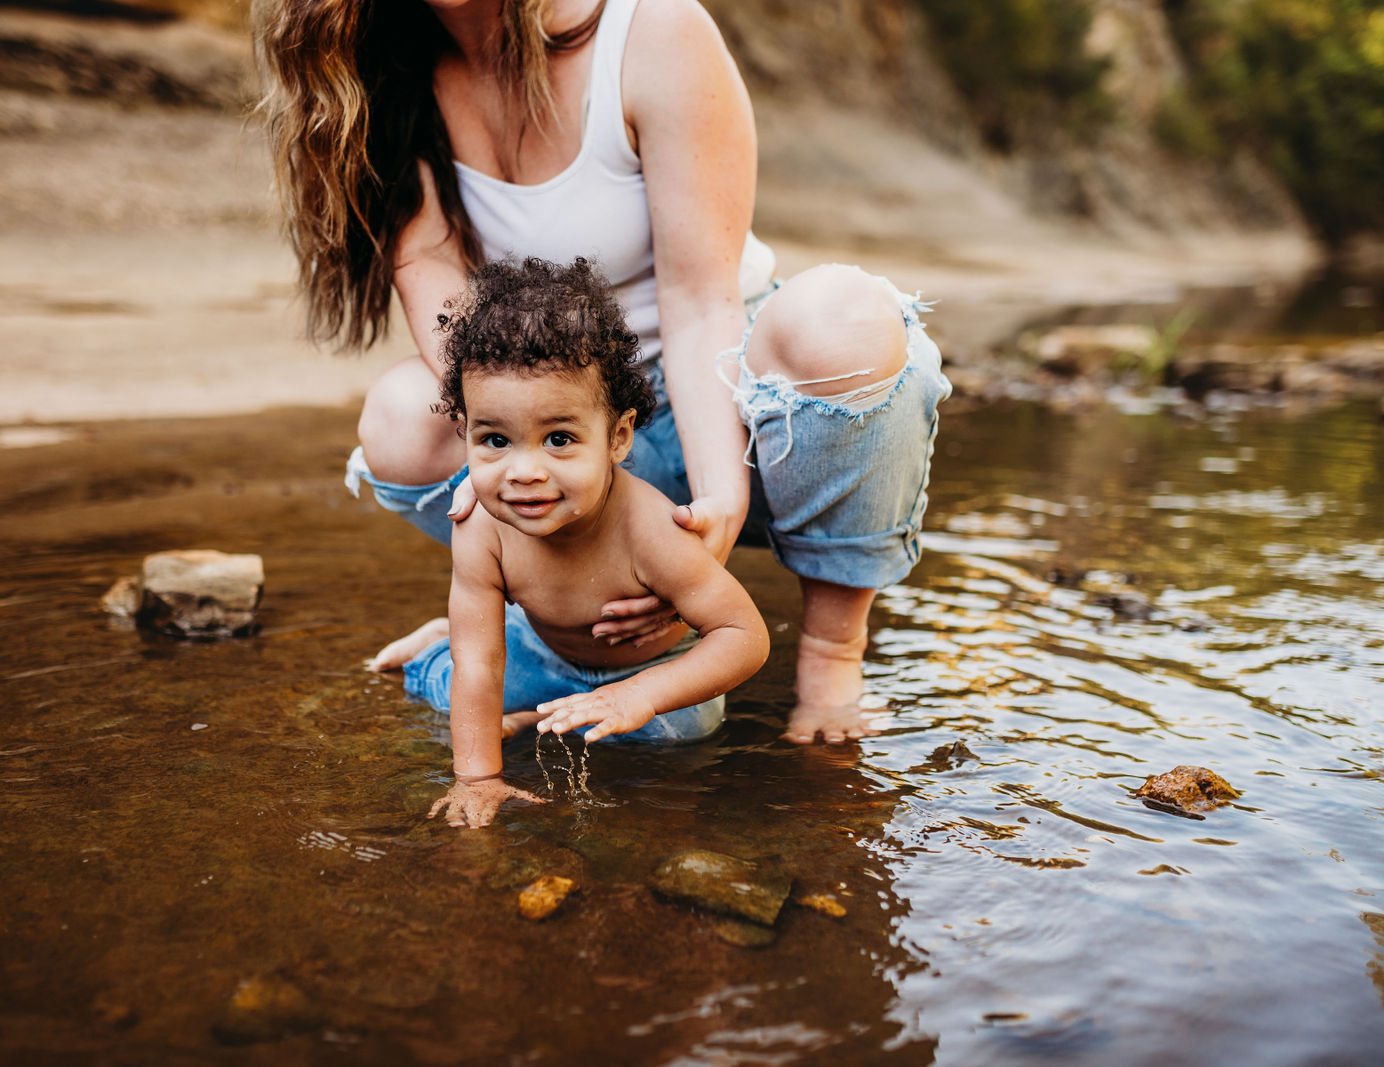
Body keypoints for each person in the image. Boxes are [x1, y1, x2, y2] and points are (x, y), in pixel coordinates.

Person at [255, 0, 951, 744]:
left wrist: (715, 506)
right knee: (401, 414)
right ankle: (535, 612)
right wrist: (486, 572)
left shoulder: (651, 30)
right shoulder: (380, 71)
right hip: (566, 427)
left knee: (842, 318)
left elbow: (697, 302)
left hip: (730, 414)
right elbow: (458, 339)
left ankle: (830, 657)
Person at [371, 256, 770, 827]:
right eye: (495, 440)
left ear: (618, 437)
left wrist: (643, 695)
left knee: (681, 732)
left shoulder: (651, 530)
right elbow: (480, 665)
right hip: (542, 651)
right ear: (465, 432)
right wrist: (477, 778)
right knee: (451, 684)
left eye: (558, 439)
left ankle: (540, 713)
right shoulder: (483, 527)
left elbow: (743, 635)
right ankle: (441, 641)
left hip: (644, 668)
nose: (524, 471)